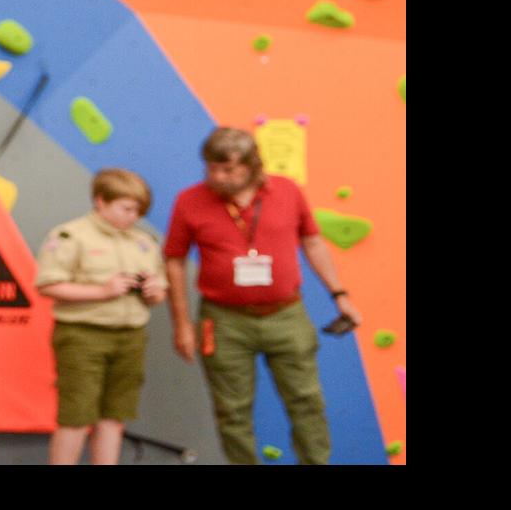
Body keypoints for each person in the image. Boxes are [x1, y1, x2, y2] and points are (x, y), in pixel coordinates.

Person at [162, 128, 361, 465]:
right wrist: (181, 323)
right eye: (211, 168)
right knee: (232, 411)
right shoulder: (190, 200)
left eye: (227, 170)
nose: (216, 176)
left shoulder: (286, 191)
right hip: (223, 320)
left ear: (251, 166)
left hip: (286, 314)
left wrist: (339, 294)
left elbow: (312, 242)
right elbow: (175, 260)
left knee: (307, 402)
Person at [35, 169, 168, 465]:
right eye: (126, 208)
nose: (133, 216)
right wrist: (102, 291)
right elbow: (48, 285)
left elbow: (160, 294)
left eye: (138, 210)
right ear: (100, 201)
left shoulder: (143, 242)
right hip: (83, 335)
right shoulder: (70, 235)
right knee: (76, 416)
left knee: (114, 417)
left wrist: (153, 291)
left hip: (130, 336)